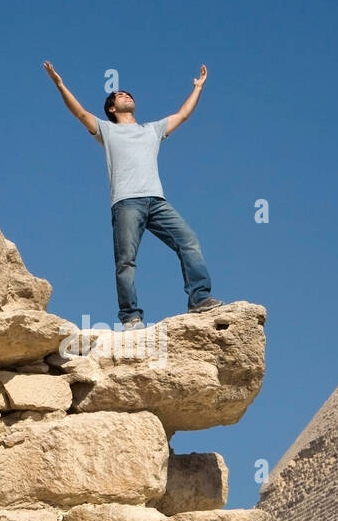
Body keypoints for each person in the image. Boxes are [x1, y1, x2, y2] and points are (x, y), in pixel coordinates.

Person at [43, 60, 223, 329]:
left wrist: (198, 88)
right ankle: (130, 317)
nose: (126, 95)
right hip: (126, 202)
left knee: (189, 242)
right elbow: (80, 113)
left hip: (157, 201)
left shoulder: (151, 130)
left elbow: (182, 115)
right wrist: (59, 83)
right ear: (112, 109)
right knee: (126, 261)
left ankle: (199, 299)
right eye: (119, 95)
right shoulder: (107, 130)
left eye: (128, 93)